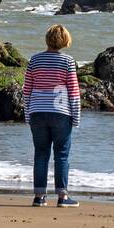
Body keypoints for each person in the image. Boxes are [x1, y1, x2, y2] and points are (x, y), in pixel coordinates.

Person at [22, 23, 81, 207]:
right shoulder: (67, 61)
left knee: (40, 154)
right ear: (65, 41)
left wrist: (27, 114)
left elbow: (27, 90)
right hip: (60, 113)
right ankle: (62, 197)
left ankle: (39, 197)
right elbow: (73, 92)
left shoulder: (35, 60)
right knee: (61, 155)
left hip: (37, 112)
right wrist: (76, 117)